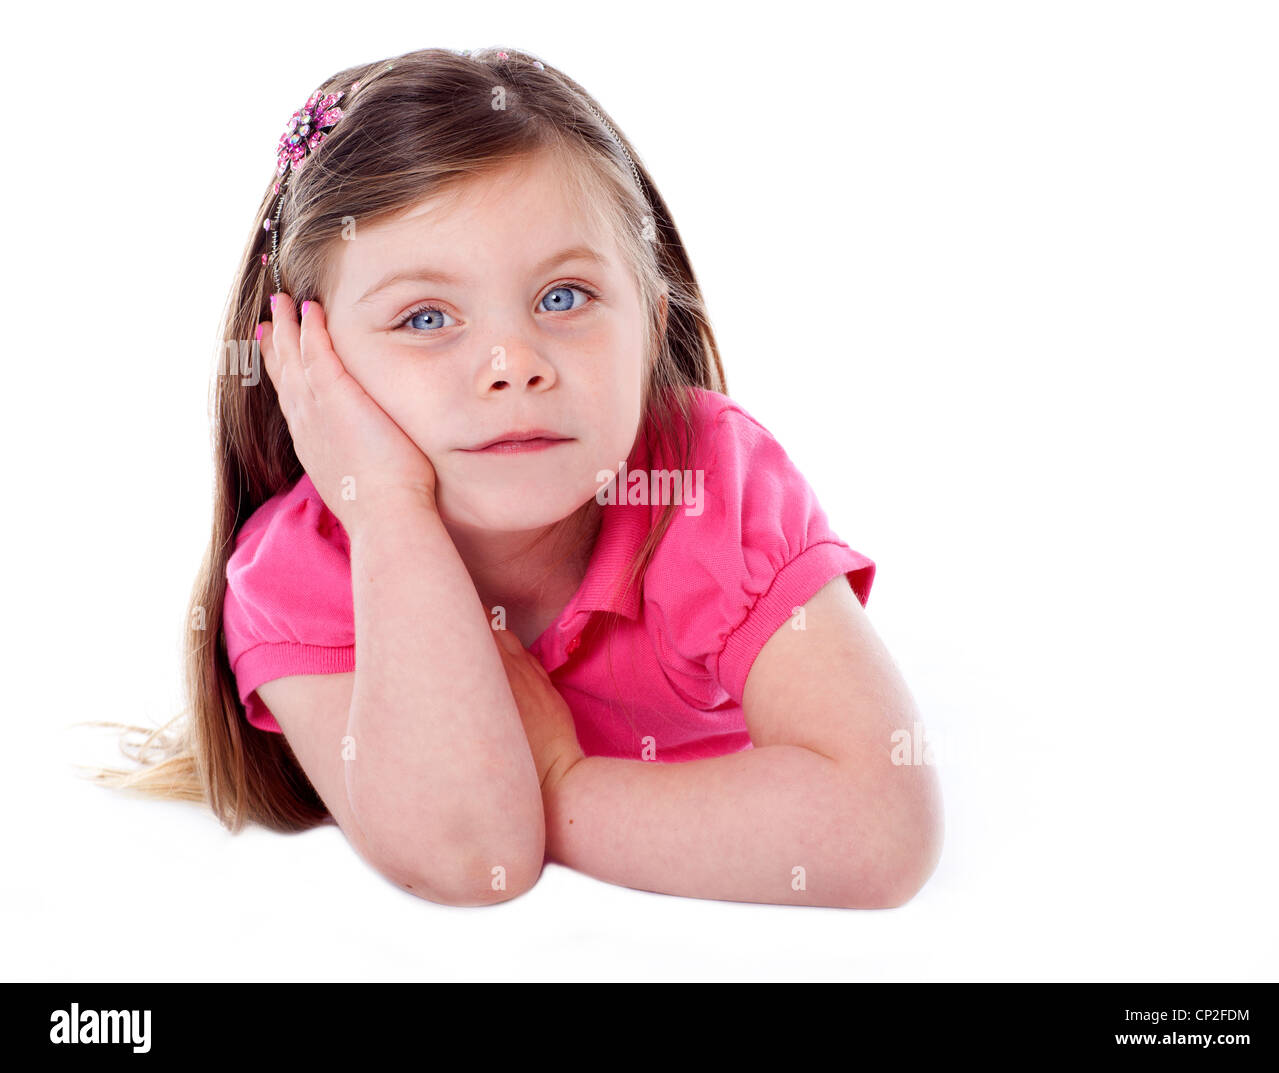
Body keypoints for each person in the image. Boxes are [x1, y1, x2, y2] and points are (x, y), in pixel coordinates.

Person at [81, 46, 942, 909]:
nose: (512, 363)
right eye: (425, 317)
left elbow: (882, 832)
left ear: (650, 317)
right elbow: (467, 859)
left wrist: (563, 785)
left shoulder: (703, 479)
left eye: (563, 297)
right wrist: (386, 509)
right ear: (312, 365)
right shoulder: (295, 574)